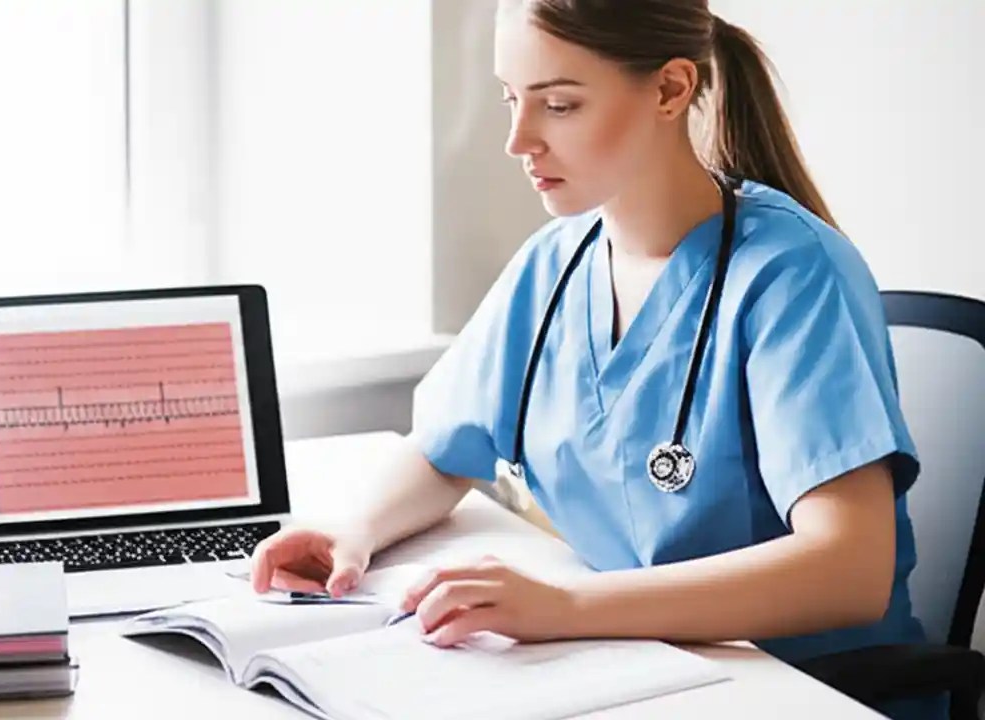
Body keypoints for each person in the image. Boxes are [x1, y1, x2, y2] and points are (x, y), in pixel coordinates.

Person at [251, 2, 940, 718]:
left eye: (558, 104)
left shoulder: (792, 276)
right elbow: (445, 449)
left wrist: (565, 605)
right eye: (511, 100)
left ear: (671, 91)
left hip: (800, 692)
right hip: (634, 669)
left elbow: (850, 569)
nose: (518, 140)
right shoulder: (557, 262)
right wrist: (352, 534)